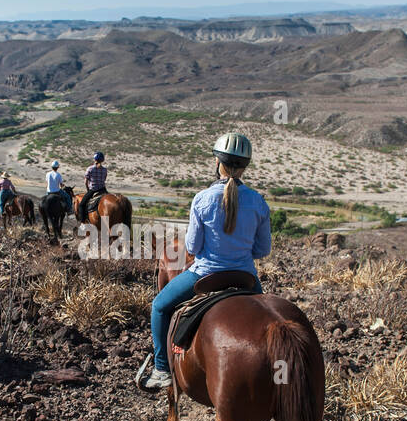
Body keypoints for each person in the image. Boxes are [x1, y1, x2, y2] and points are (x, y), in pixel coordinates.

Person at [137, 132, 271, 390]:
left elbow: (192, 247)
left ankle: (162, 369)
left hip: (205, 274)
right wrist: (238, 252)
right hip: (246, 277)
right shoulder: (258, 201)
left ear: (218, 162)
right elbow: (262, 249)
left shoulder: (202, 198)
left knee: (160, 306)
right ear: (245, 166)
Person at [77, 151, 108, 222]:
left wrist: (88, 189)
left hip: (93, 190)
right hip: (103, 190)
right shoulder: (105, 170)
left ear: (94, 159)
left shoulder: (90, 168)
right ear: (102, 160)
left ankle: (82, 222)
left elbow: (86, 182)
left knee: (81, 205)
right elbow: (104, 179)